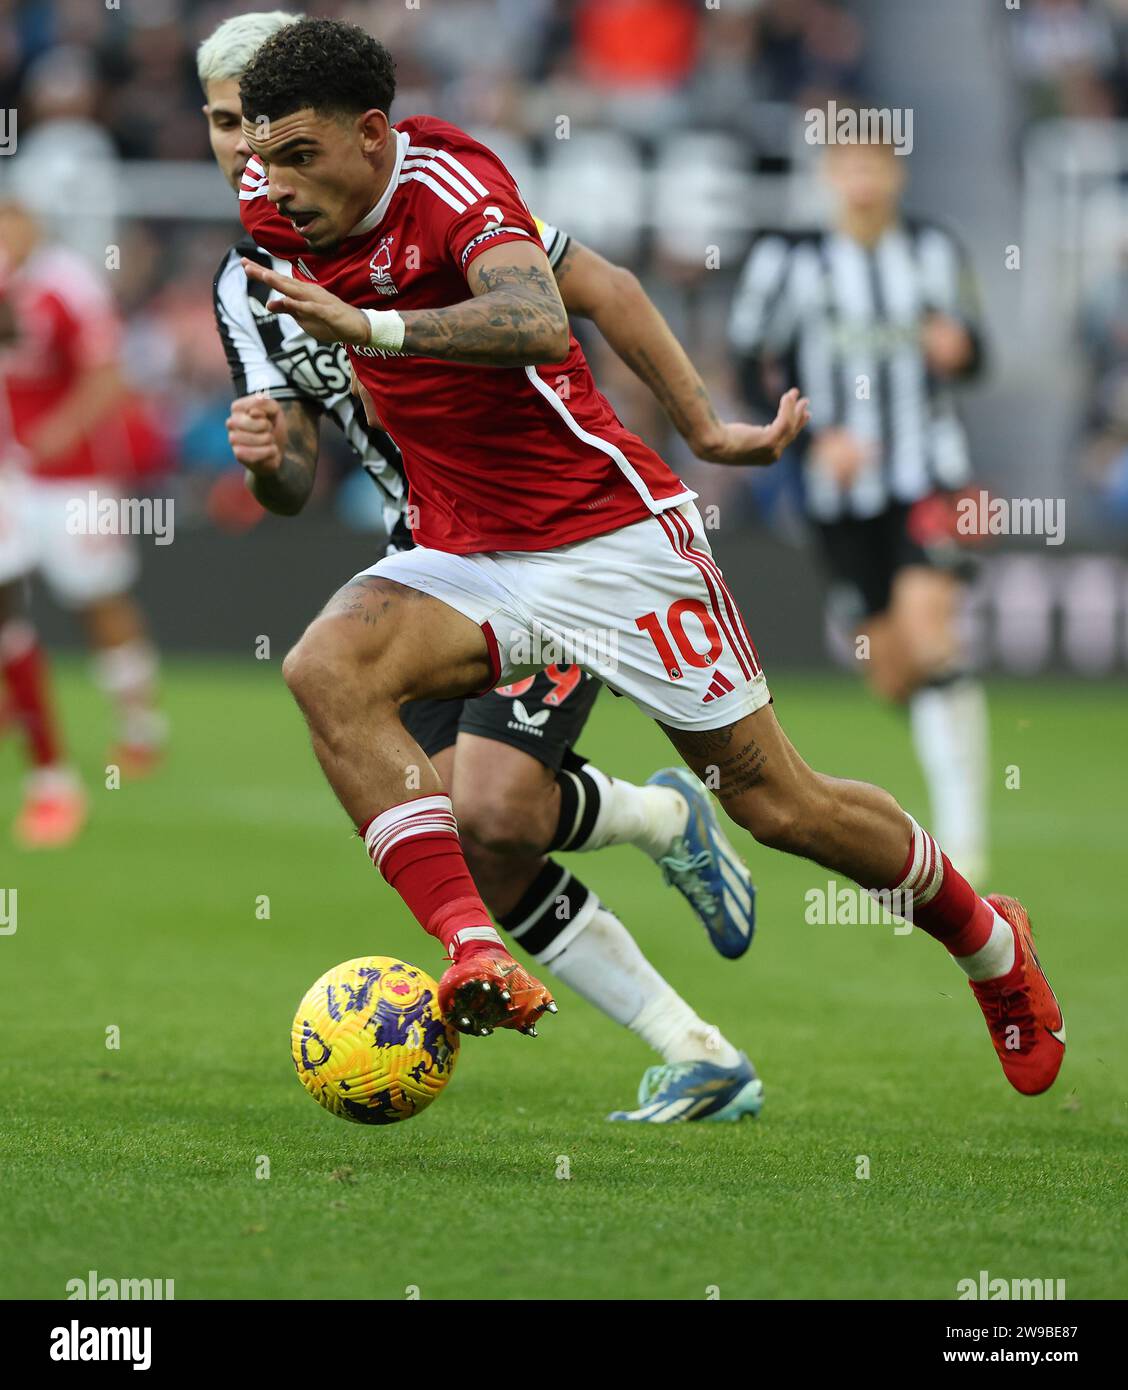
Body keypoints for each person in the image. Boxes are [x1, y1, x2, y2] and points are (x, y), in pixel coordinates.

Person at [237, 18, 1062, 1097]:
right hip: (465, 551)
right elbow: (607, 283)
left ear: (374, 134)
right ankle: (472, 942)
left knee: (781, 807)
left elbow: (544, 315)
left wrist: (380, 330)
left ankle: (991, 947)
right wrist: (710, 421)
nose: (276, 183)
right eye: (260, 153)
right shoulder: (268, 213)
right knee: (326, 668)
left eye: (299, 156)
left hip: (609, 537)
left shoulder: (453, 184)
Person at [201, 9, 805, 1122]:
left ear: (340, 128)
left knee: (492, 807)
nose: (249, 151)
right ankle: (690, 1014)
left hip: (549, 539)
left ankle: (659, 831)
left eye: (273, 129)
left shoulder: (440, 196)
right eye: (228, 125)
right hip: (431, 557)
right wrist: (268, 463)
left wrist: (706, 427)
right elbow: (287, 478)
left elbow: (598, 290)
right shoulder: (248, 281)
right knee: (479, 837)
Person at [730, 134, 991, 886]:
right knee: (892, 670)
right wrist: (811, 442)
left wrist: (962, 351)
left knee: (927, 625)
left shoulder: (935, 250)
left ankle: (963, 841)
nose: (862, 178)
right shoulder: (792, 260)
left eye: (875, 163)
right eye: (848, 164)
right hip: (838, 491)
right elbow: (751, 362)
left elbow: (979, 353)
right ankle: (949, 746)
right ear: (828, 175)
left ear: (896, 171)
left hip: (930, 475)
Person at [0, 200, 167, 845]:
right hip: (14, 478)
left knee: (95, 600)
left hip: (78, 478)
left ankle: (140, 726)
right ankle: (43, 761)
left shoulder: (67, 284)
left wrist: (60, 430)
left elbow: (107, 376)